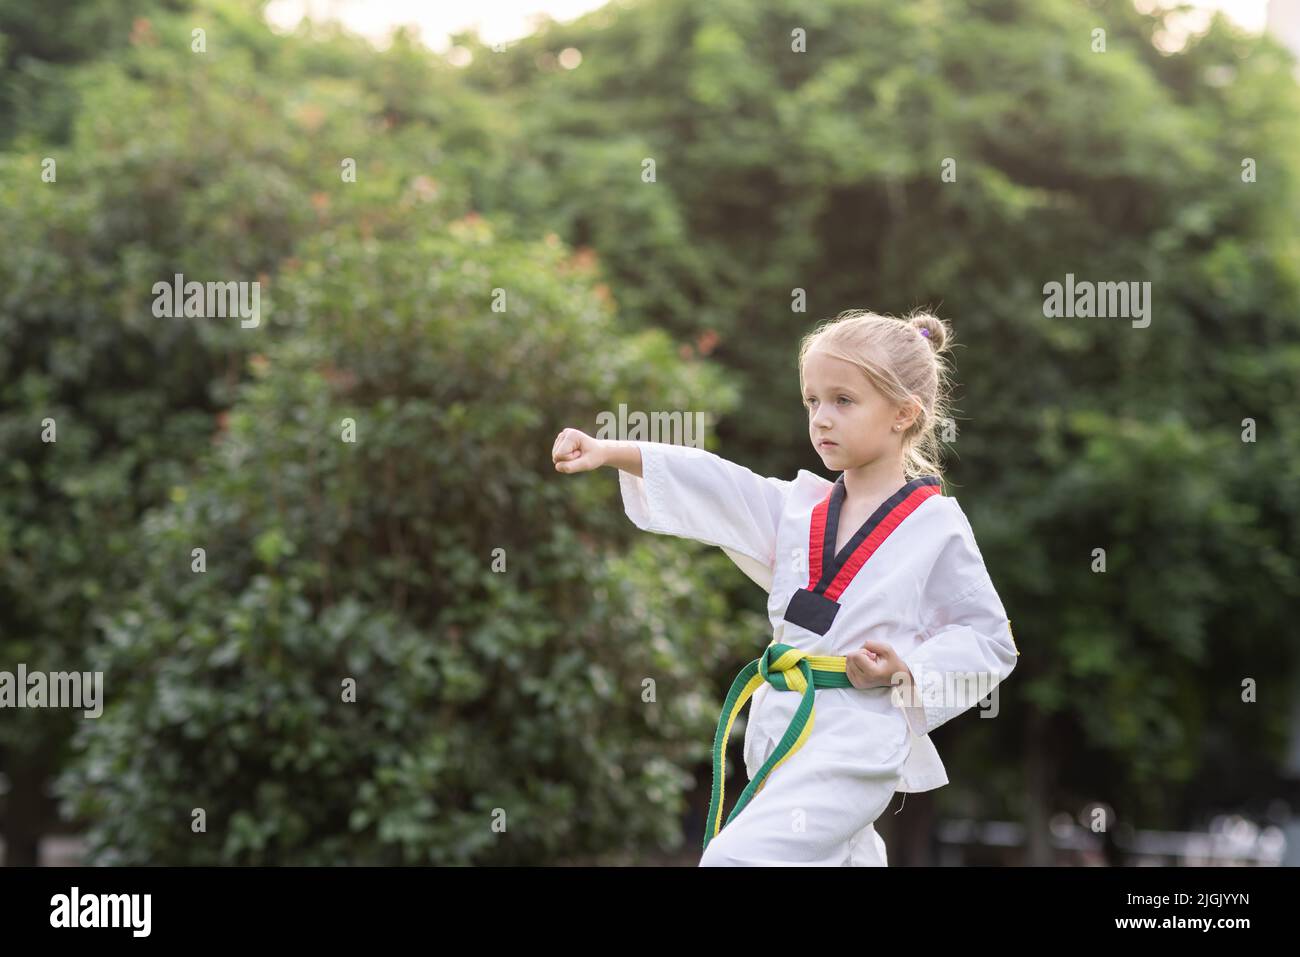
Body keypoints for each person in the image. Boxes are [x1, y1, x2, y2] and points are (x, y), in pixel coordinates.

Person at [551, 308, 1019, 866]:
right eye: (812, 401)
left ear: (903, 413)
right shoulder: (800, 506)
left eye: (843, 401)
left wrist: (906, 670)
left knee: (733, 861)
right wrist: (611, 452)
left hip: (855, 741)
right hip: (781, 729)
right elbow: (718, 483)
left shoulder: (935, 524)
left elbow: (987, 637)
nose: (821, 418)